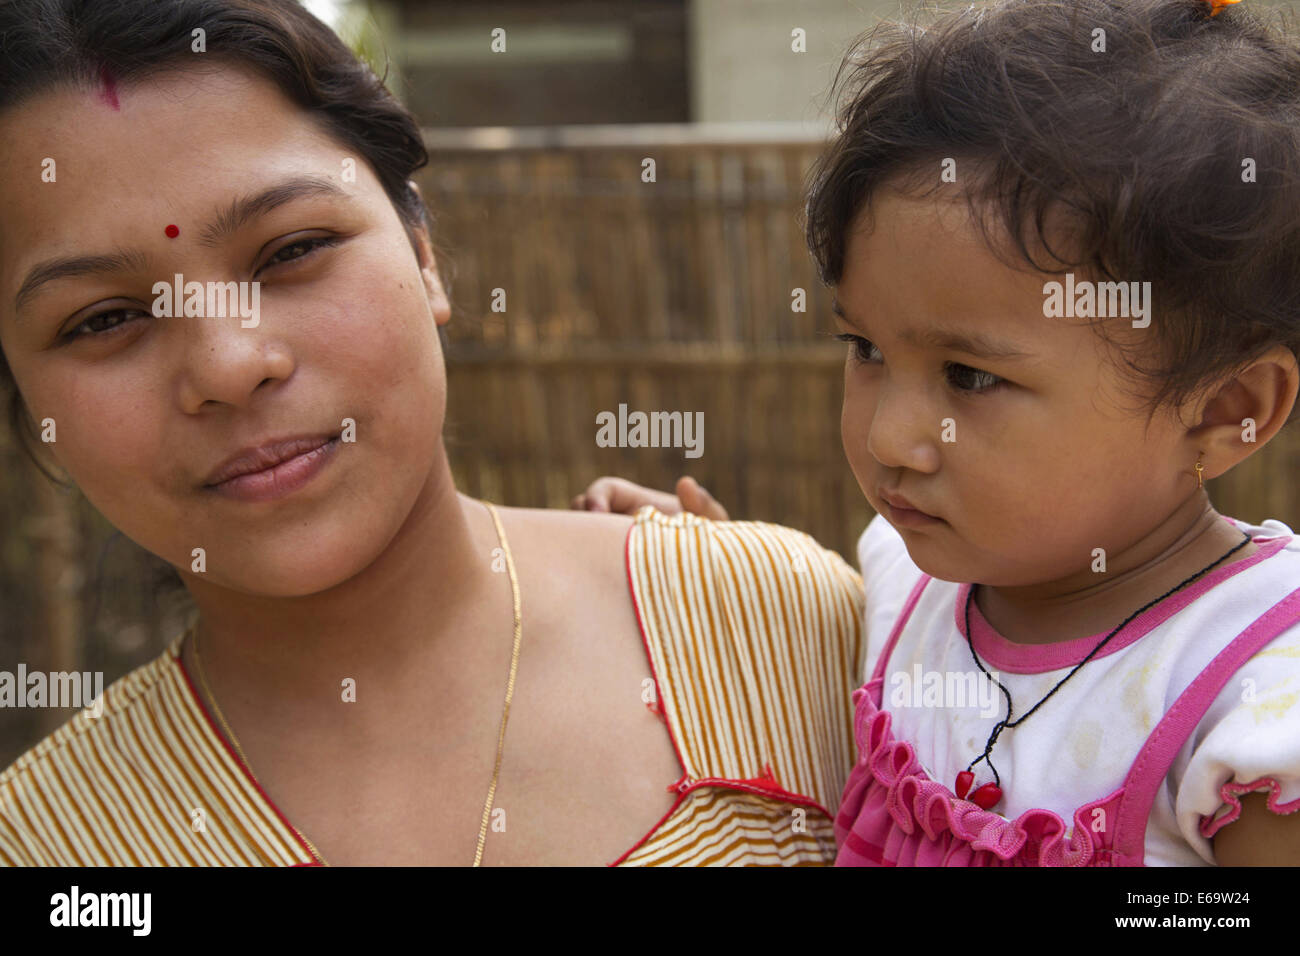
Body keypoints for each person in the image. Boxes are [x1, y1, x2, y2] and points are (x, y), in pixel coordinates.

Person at [0, 0, 866, 866]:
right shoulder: (51, 843)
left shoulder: (789, 633)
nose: (229, 364)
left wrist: (720, 607)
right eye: (104, 319)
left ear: (423, 252)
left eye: (291, 250)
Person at [577, 0, 1300, 865]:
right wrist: (710, 567)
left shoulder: (1255, 700)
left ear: (1228, 412)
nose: (889, 436)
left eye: (973, 376)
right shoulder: (909, 581)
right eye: (865, 348)